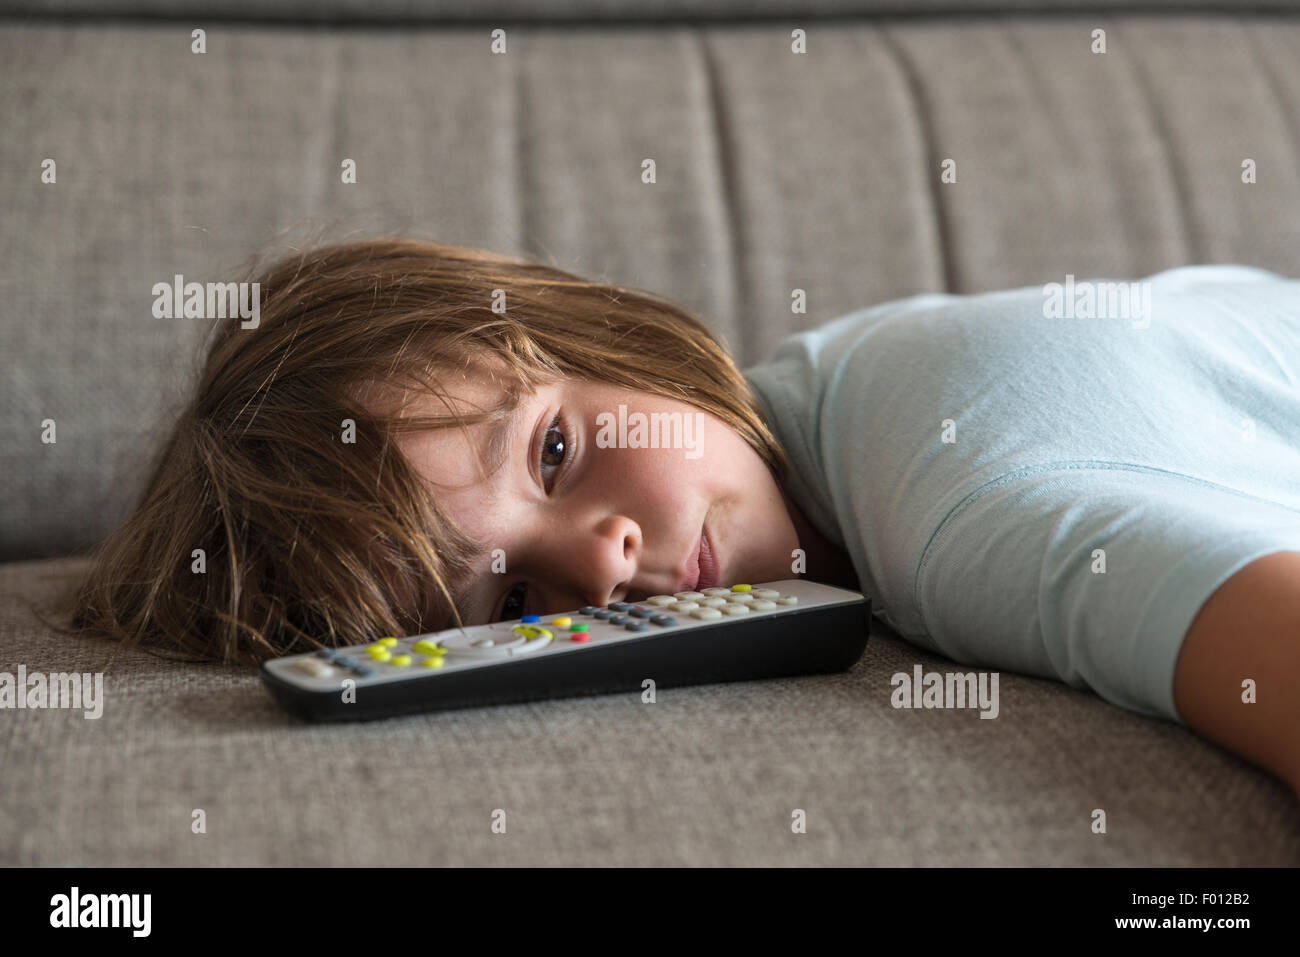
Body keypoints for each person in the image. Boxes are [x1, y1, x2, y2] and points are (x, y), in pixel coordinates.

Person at [62, 238, 1300, 800]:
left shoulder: (958, 512)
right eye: (514, 607)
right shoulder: (837, 383)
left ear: (620, 341)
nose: (600, 563)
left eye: (554, 451)